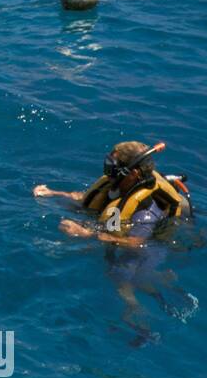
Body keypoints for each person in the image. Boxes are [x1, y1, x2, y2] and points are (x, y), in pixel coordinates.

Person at [35, 140, 195, 342]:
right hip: (129, 233)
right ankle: (156, 279)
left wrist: (87, 234)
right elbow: (88, 199)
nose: (109, 168)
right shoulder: (120, 183)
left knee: (119, 275)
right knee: (122, 272)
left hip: (153, 244)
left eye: (115, 165)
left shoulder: (146, 208)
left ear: (133, 173)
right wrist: (54, 193)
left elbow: (137, 242)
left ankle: (140, 319)